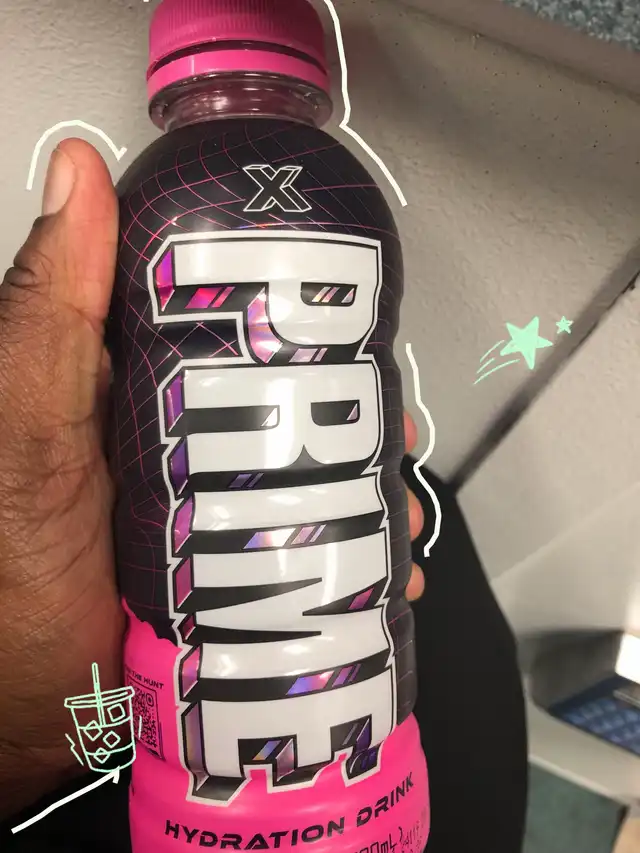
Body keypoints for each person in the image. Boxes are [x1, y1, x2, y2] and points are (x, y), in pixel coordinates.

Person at [0, 139, 528, 853]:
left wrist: (18, 742)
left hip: (213, 775)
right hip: (229, 768)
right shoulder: (244, 188)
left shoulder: (173, 191)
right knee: (423, 525)